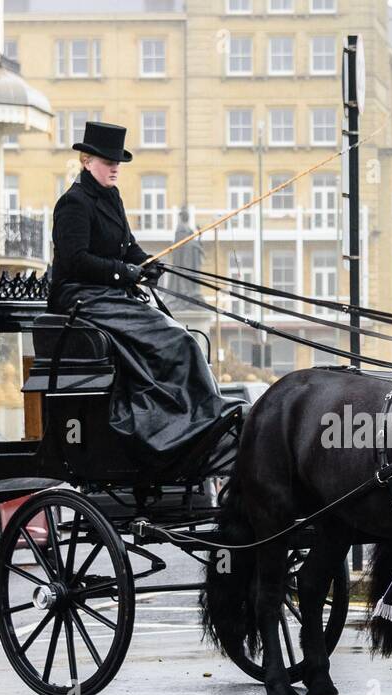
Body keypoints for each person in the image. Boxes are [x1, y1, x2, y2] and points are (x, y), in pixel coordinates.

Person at [48, 121, 238, 467]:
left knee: (181, 338)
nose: (115, 167)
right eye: (108, 161)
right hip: (82, 296)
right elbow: (75, 259)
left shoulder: (111, 197)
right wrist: (123, 272)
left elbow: (127, 245)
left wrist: (147, 263)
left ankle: (195, 420)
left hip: (107, 293)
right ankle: (195, 423)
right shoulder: (73, 203)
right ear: (87, 160)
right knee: (177, 341)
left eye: (118, 162)